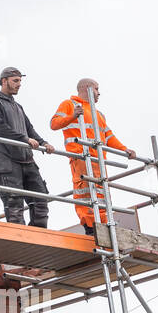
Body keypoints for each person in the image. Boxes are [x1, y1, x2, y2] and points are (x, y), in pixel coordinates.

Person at [50, 77, 137, 235]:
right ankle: (90, 226)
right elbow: (54, 124)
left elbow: (109, 137)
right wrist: (73, 115)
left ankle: (105, 224)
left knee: (102, 192)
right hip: (81, 157)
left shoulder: (99, 114)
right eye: (96, 89)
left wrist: (125, 150)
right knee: (85, 193)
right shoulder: (69, 104)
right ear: (86, 89)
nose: (99, 93)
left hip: (98, 160)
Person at [0, 67, 55, 227]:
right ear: (4, 81)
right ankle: (21, 239)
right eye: (15, 81)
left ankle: (38, 237)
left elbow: (29, 128)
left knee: (41, 199)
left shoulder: (18, 106)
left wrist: (43, 143)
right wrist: (24, 139)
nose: (19, 84)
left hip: (26, 159)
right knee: (14, 203)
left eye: (20, 81)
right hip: (6, 160)